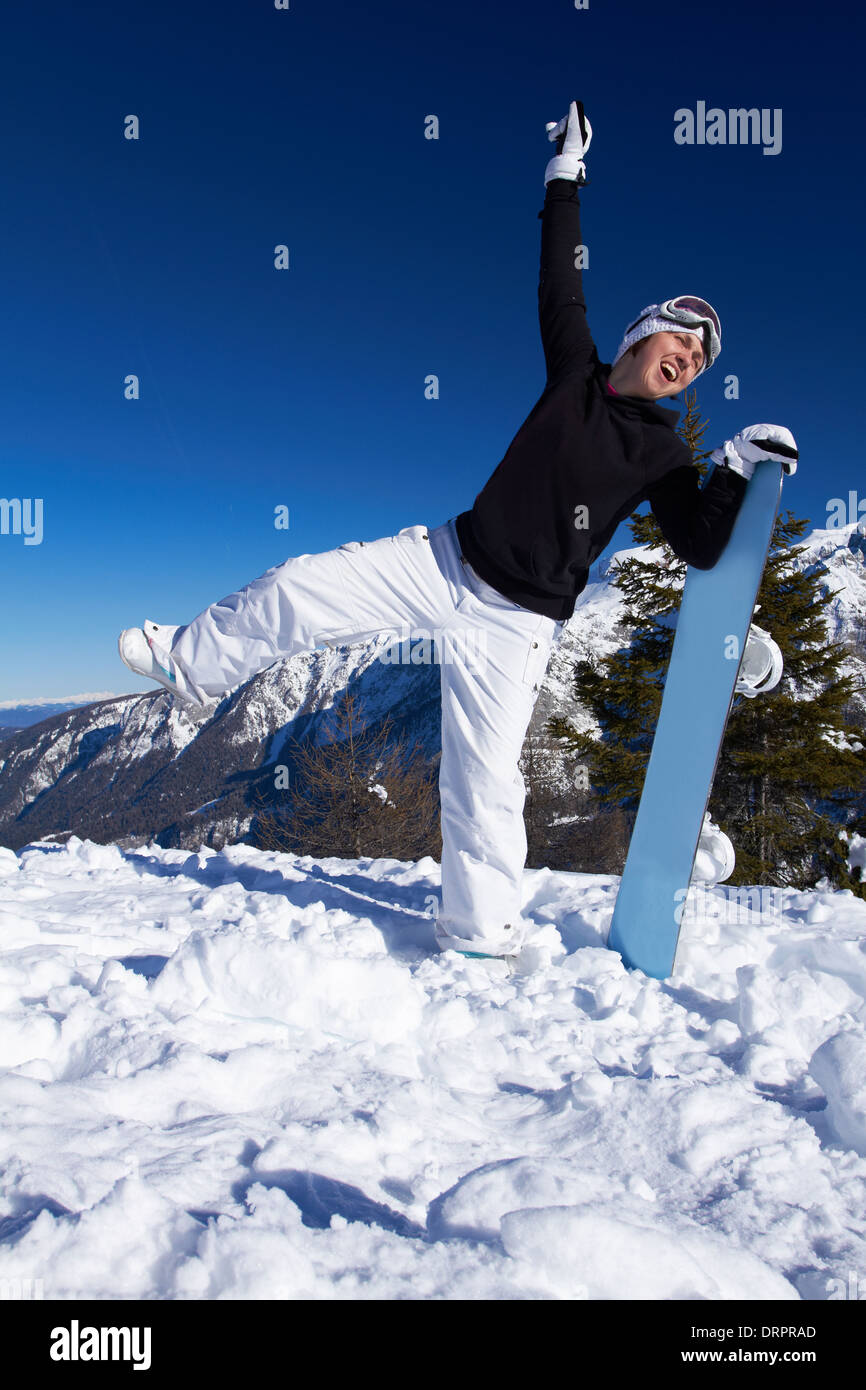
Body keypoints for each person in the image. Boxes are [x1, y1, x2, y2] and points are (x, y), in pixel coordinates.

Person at [119, 101, 797, 962]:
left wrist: (737, 466)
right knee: (299, 585)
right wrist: (565, 173)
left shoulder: (665, 454)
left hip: (519, 625)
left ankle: (478, 935)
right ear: (642, 333)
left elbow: (699, 545)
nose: (690, 361)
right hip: (445, 559)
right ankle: (188, 661)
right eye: (683, 340)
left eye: (702, 364)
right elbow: (559, 275)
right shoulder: (574, 368)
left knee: (482, 783)